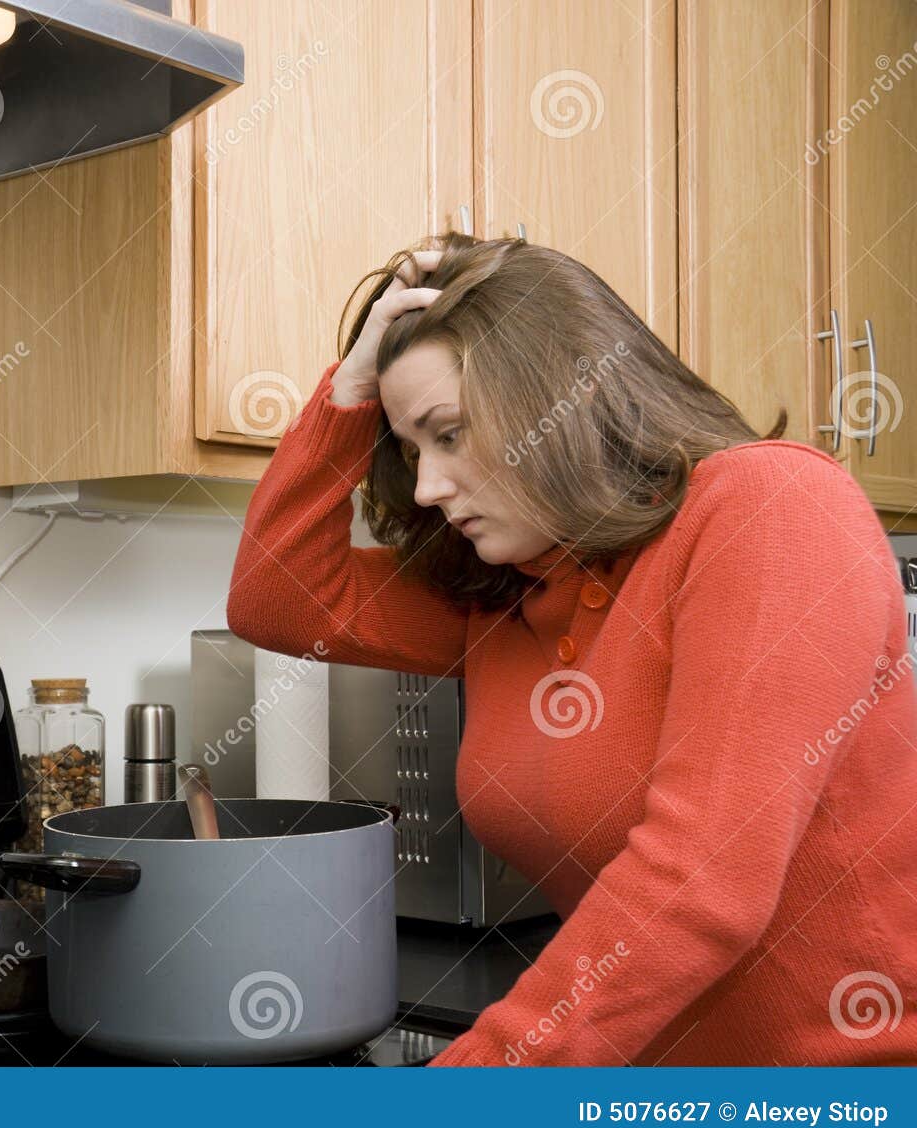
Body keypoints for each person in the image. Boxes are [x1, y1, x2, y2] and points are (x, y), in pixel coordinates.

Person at [225, 232, 917, 1066]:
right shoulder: (511, 587)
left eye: (448, 433)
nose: (427, 487)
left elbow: (704, 881)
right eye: (411, 450)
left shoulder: (772, 508)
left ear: (561, 392)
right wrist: (353, 383)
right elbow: (278, 598)